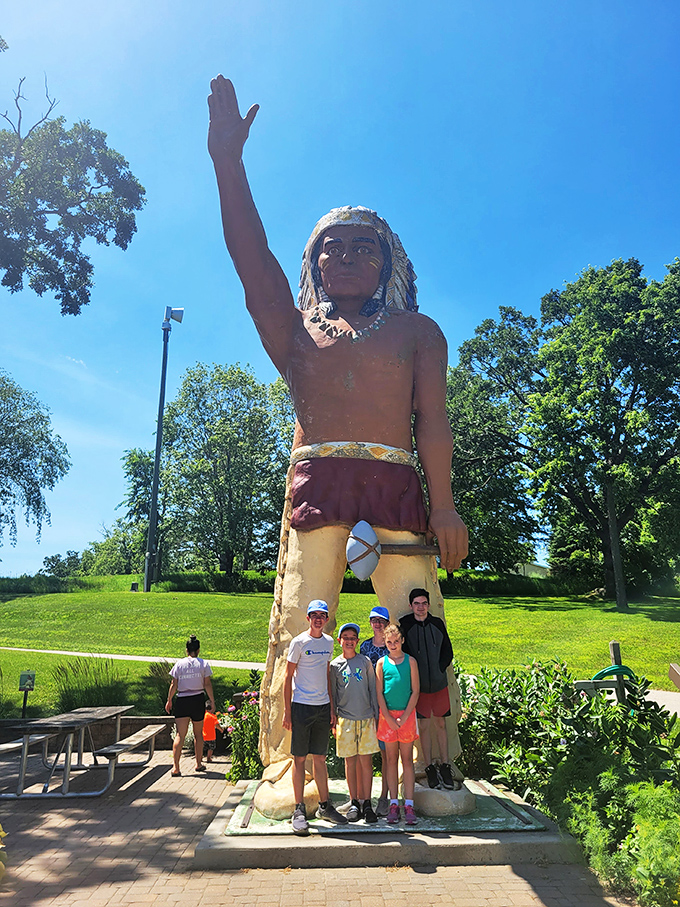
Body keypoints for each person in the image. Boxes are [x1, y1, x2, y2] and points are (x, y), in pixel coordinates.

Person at [208, 75, 468, 766]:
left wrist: (445, 505)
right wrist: (227, 166)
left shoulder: (419, 332)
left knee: (424, 629)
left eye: (364, 245)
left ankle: (437, 765)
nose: (347, 254)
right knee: (301, 625)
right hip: (316, 482)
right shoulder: (292, 332)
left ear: (389, 262)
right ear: (313, 263)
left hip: (395, 485)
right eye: (332, 245)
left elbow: (434, 423)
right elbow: (251, 263)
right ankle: (291, 769)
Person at [283, 600, 349, 835]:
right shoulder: (299, 642)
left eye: (323, 615)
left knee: (319, 759)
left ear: (327, 618)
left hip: (322, 708)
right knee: (299, 759)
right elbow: (288, 677)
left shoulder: (330, 642)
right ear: (308, 618)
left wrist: (331, 707)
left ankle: (325, 806)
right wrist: (287, 712)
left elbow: (326, 674)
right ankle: (298, 809)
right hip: (301, 707)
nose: (319, 619)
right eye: (315, 615)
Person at [399, 588, 458, 790]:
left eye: (424, 603)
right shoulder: (405, 625)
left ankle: (445, 765)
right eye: (417, 603)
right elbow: (402, 652)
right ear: (411, 606)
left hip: (439, 684)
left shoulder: (436, 624)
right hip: (420, 687)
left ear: (429, 605)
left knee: (440, 724)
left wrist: (440, 668)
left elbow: (447, 650)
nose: (421, 607)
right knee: (424, 726)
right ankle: (429, 767)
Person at [329, 622, 380, 824]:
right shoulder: (334, 666)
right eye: (346, 637)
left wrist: (376, 715)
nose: (349, 641)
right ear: (340, 641)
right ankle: (354, 802)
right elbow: (333, 693)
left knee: (366, 762)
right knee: (350, 762)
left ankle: (367, 802)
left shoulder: (365, 662)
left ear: (357, 641)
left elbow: (372, 690)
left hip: (366, 718)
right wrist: (333, 718)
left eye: (353, 637)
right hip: (345, 720)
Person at [375, 623, 420, 826]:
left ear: (402, 640)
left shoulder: (411, 662)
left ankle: (408, 804)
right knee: (391, 760)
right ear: (385, 642)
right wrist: (389, 718)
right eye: (389, 642)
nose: (393, 645)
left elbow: (415, 691)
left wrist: (404, 717)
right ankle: (394, 803)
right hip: (387, 718)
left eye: (396, 641)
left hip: (407, 717)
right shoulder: (381, 663)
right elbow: (379, 693)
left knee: (407, 761)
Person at [165, 634, 215, 776]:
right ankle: (198, 764)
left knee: (180, 734)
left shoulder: (180, 664)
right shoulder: (203, 664)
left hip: (182, 700)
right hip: (197, 699)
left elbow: (173, 684)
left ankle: (176, 768)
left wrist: (169, 700)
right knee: (198, 734)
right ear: (198, 650)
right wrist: (212, 700)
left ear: (186, 650)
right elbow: (207, 684)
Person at [359, 605, 390, 816]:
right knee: (364, 754)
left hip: (387, 707)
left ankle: (385, 797)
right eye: (374, 620)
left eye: (381, 620)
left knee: (387, 755)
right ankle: (362, 798)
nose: (377, 624)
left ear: (387, 624)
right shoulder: (364, 647)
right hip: (366, 705)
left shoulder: (392, 647)